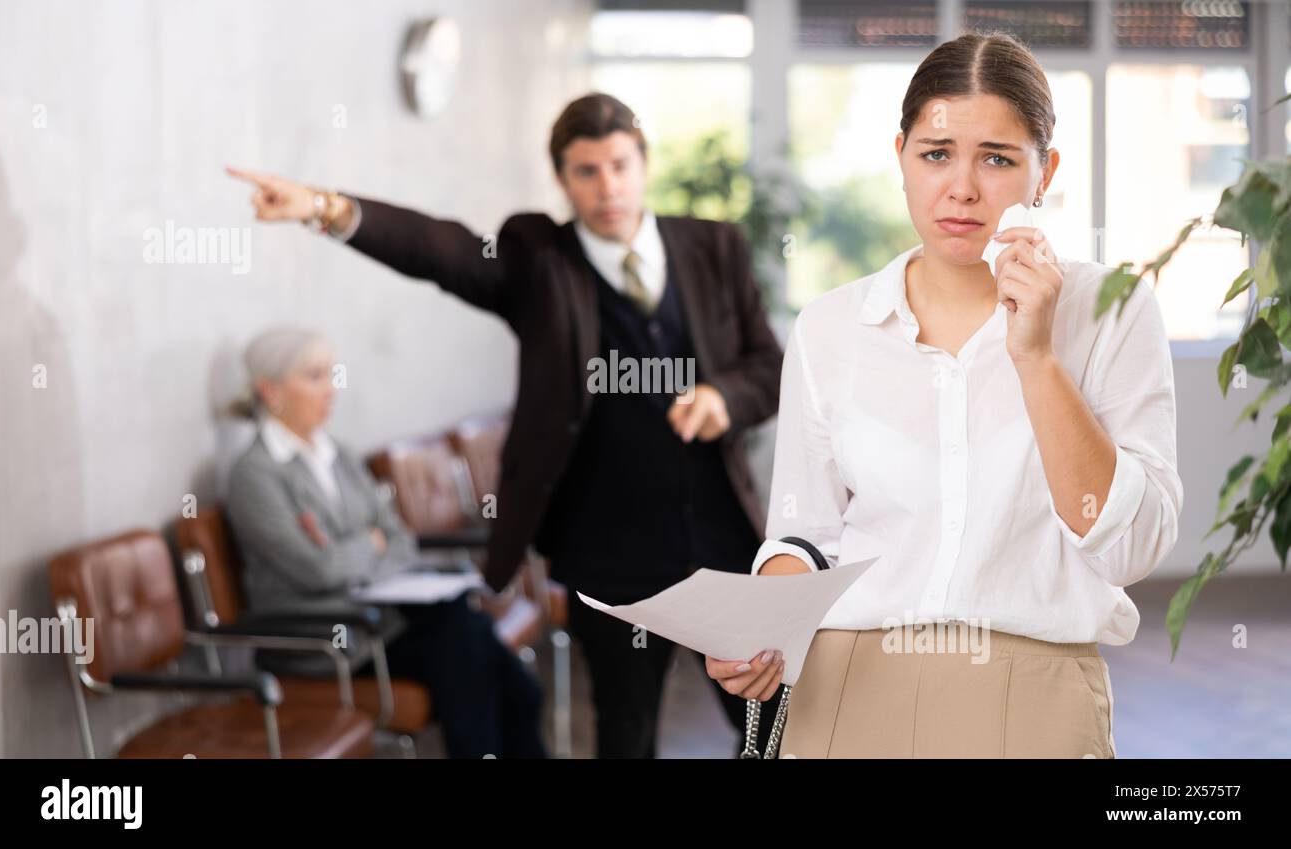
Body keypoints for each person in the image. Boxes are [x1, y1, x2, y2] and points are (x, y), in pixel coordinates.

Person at [225, 93, 785, 758]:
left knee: (770, 723)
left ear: (644, 164)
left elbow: (769, 365)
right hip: (609, 558)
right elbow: (444, 251)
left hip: (721, 543)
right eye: (586, 171)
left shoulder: (713, 246)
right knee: (626, 730)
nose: (607, 187)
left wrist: (724, 394)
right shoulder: (540, 258)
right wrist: (327, 208)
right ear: (561, 179)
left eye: (619, 165)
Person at [707, 32, 1183, 758]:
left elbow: (1130, 548)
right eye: (936, 154)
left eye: (997, 158)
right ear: (900, 155)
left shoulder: (1112, 313)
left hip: (1036, 691)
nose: (962, 187)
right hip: (849, 686)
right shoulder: (831, 327)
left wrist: (1036, 358)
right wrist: (764, 617)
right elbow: (807, 533)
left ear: (1044, 171)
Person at [225, 326, 548, 759]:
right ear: (271, 390)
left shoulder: (337, 454)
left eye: (331, 375)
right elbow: (318, 570)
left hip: (385, 621)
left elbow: (398, 539)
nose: (330, 391)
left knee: (511, 681)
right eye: (315, 377)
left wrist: (363, 547)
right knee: (469, 653)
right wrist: (370, 543)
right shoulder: (256, 475)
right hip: (328, 640)